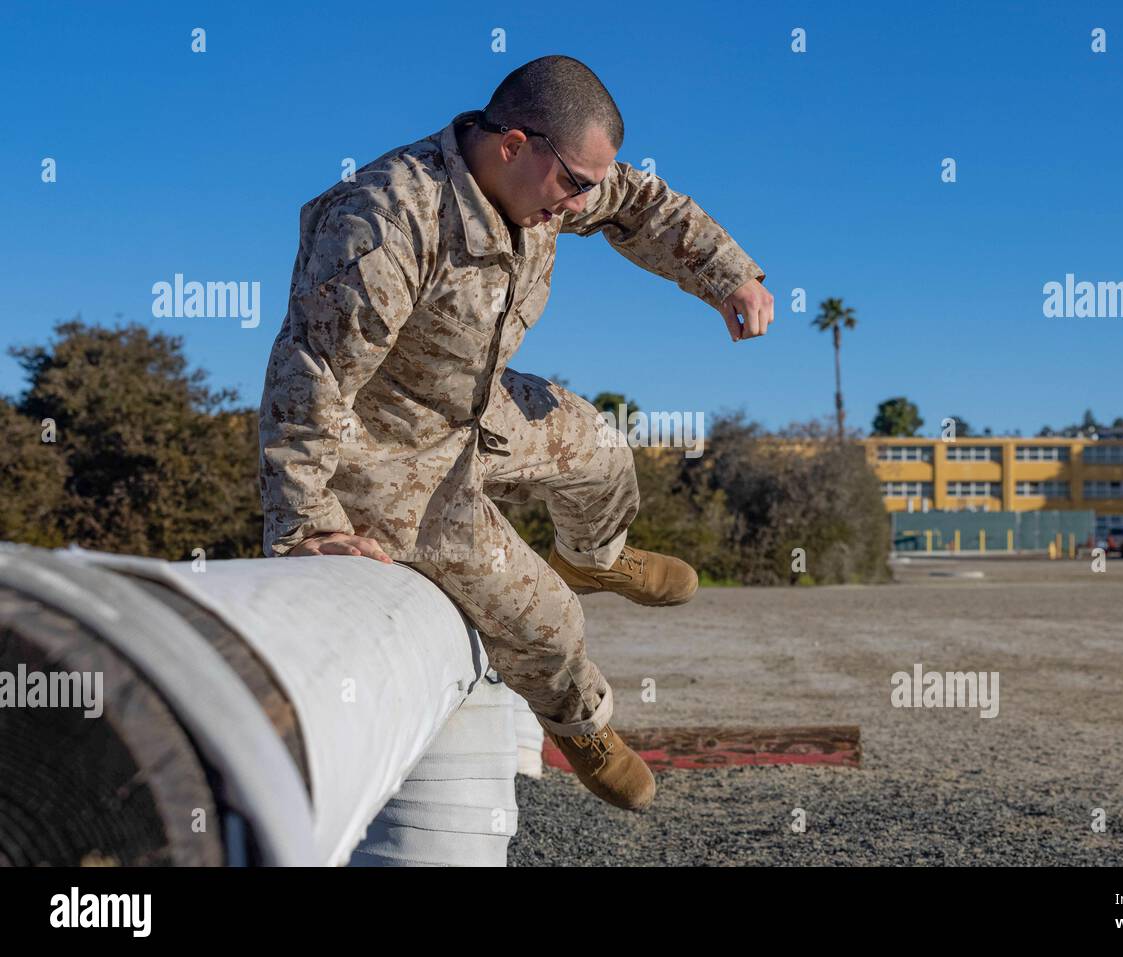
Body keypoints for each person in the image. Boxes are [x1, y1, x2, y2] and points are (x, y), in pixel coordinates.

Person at [258, 55, 772, 811]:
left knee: (602, 448)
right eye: (574, 184)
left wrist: (729, 274)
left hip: (473, 404)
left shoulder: (550, 181)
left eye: (591, 185)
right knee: (546, 616)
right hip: (385, 457)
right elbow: (312, 376)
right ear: (513, 145)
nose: (583, 203)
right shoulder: (385, 219)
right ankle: (580, 720)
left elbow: (642, 205)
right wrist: (304, 521)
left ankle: (596, 557)